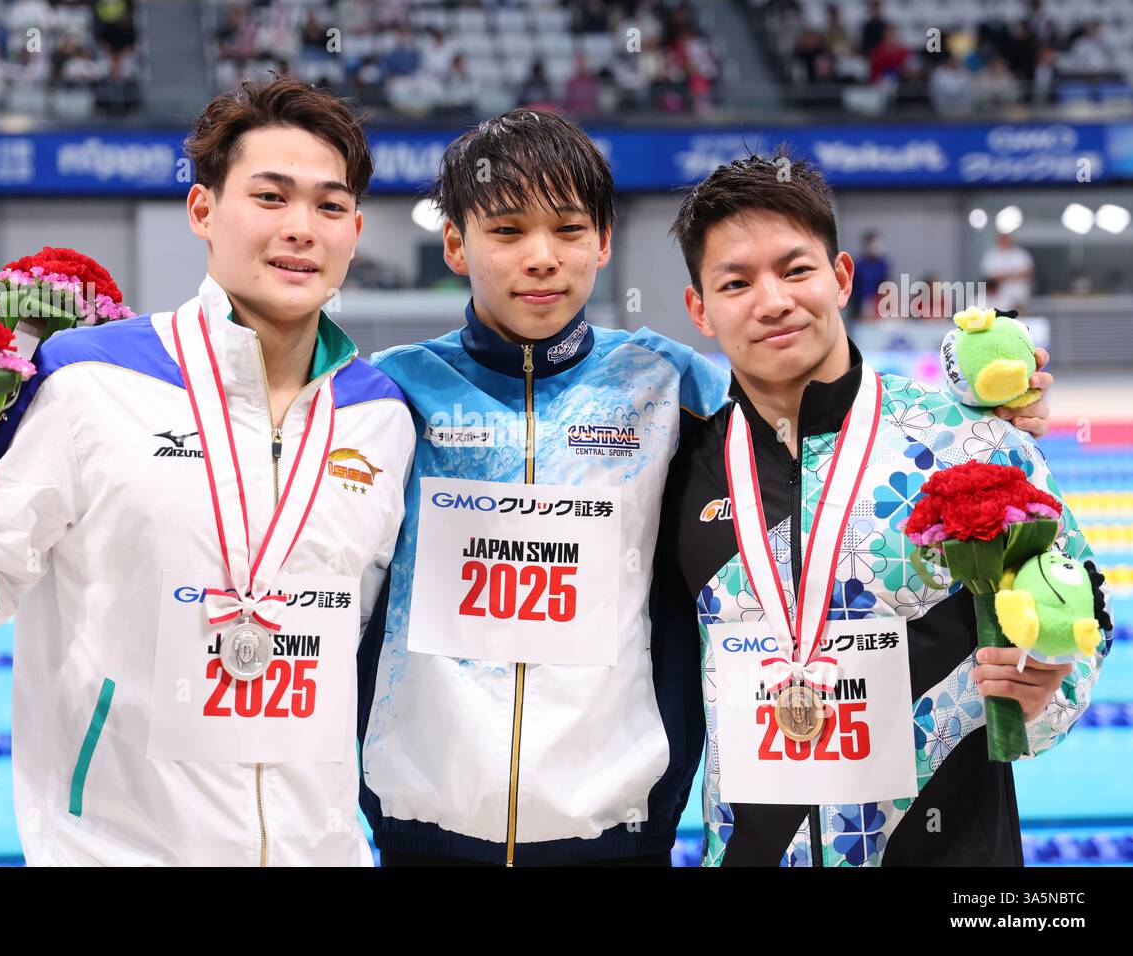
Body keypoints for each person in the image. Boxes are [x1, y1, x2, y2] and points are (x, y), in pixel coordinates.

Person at [356, 111, 1053, 867]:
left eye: (567, 229)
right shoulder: (386, 395)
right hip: (419, 825)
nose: (542, 258)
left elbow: (809, 405)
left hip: (617, 832)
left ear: (604, 241)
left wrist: (983, 420)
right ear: (455, 243)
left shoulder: (673, 387)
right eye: (507, 231)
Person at [0, 76, 415, 866]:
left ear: (356, 231)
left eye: (329, 207)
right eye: (270, 197)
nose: (301, 229)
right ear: (203, 211)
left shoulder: (381, 414)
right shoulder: (89, 378)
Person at [657, 152, 1106, 866]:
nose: (772, 301)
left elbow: (1080, 607)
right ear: (700, 310)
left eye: (795, 270)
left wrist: (1043, 682)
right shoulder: (679, 470)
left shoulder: (968, 440)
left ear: (840, 278)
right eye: (736, 282)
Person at [981, 231, 1035, 313]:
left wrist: (1004, 275)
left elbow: (1028, 274)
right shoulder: (991, 256)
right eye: (1002, 238)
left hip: (1020, 297)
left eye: (1006, 238)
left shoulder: (1021, 254)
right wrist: (1015, 275)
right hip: (998, 299)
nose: (1005, 240)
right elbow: (991, 278)